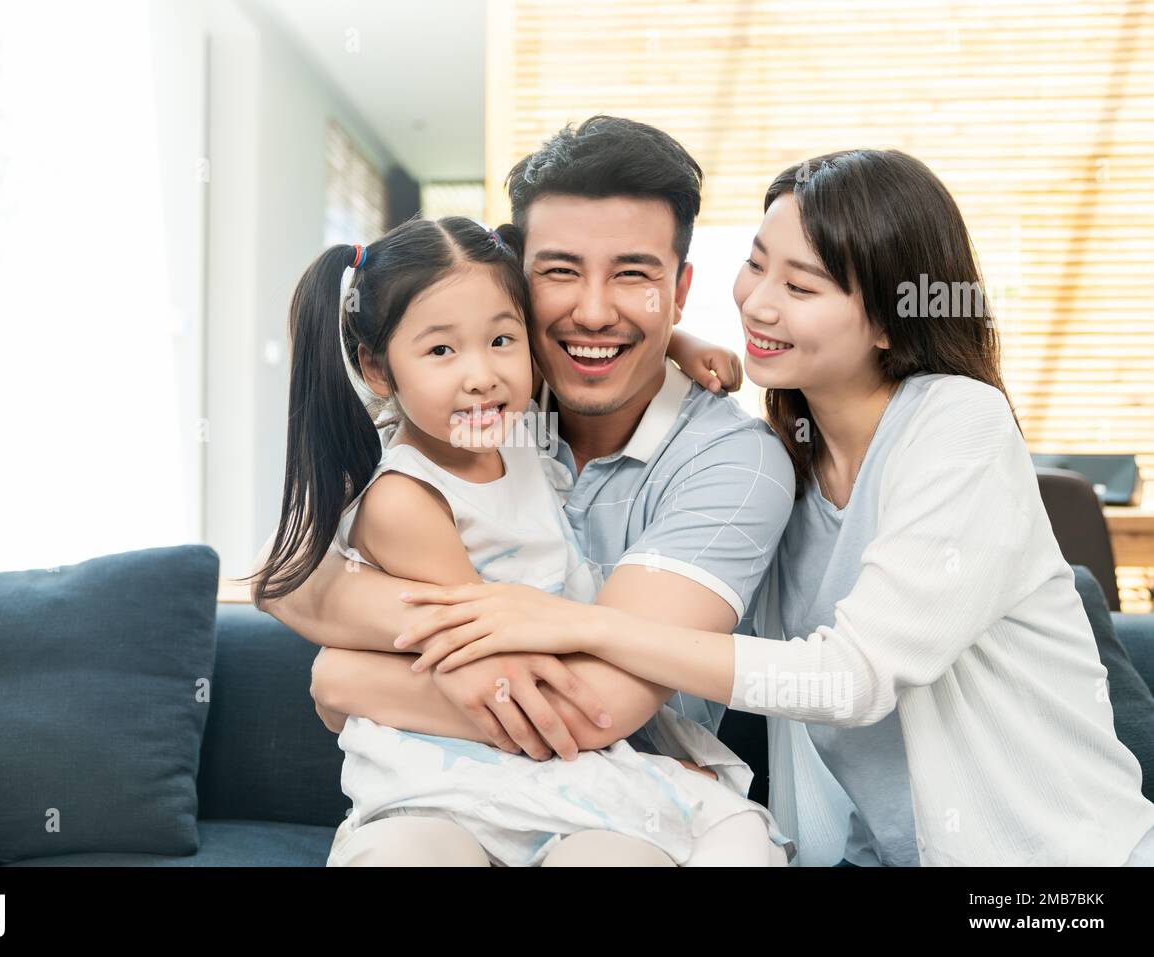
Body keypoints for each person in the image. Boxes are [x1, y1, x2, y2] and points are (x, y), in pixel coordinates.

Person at [395, 149, 1154, 867]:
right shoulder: (788, 456)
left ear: (891, 319)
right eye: (755, 264)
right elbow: (401, 354)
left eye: (801, 286)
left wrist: (579, 621)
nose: (759, 302)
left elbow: (849, 678)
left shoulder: (957, 423)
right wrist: (666, 339)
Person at [253, 116, 798, 866]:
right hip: (442, 785)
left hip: (606, 797)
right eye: (561, 271)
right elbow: (286, 574)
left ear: (680, 290)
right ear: (520, 280)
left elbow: (595, 708)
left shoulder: (734, 464)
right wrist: (342, 669)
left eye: (635, 274)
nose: (595, 310)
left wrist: (353, 674)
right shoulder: (481, 410)